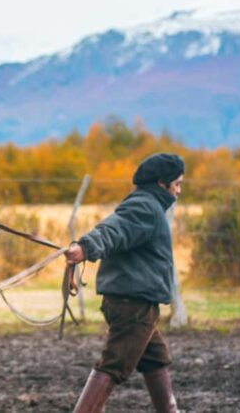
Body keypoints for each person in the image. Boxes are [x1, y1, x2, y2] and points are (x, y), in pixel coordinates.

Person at [65, 153, 184, 413]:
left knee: (155, 358)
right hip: (134, 304)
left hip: (135, 302)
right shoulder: (145, 207)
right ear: (161, 184)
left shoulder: (146, 204)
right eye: (176, 184)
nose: (179, 190)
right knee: (114, 364)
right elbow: (114, 230)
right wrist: (86, 247)